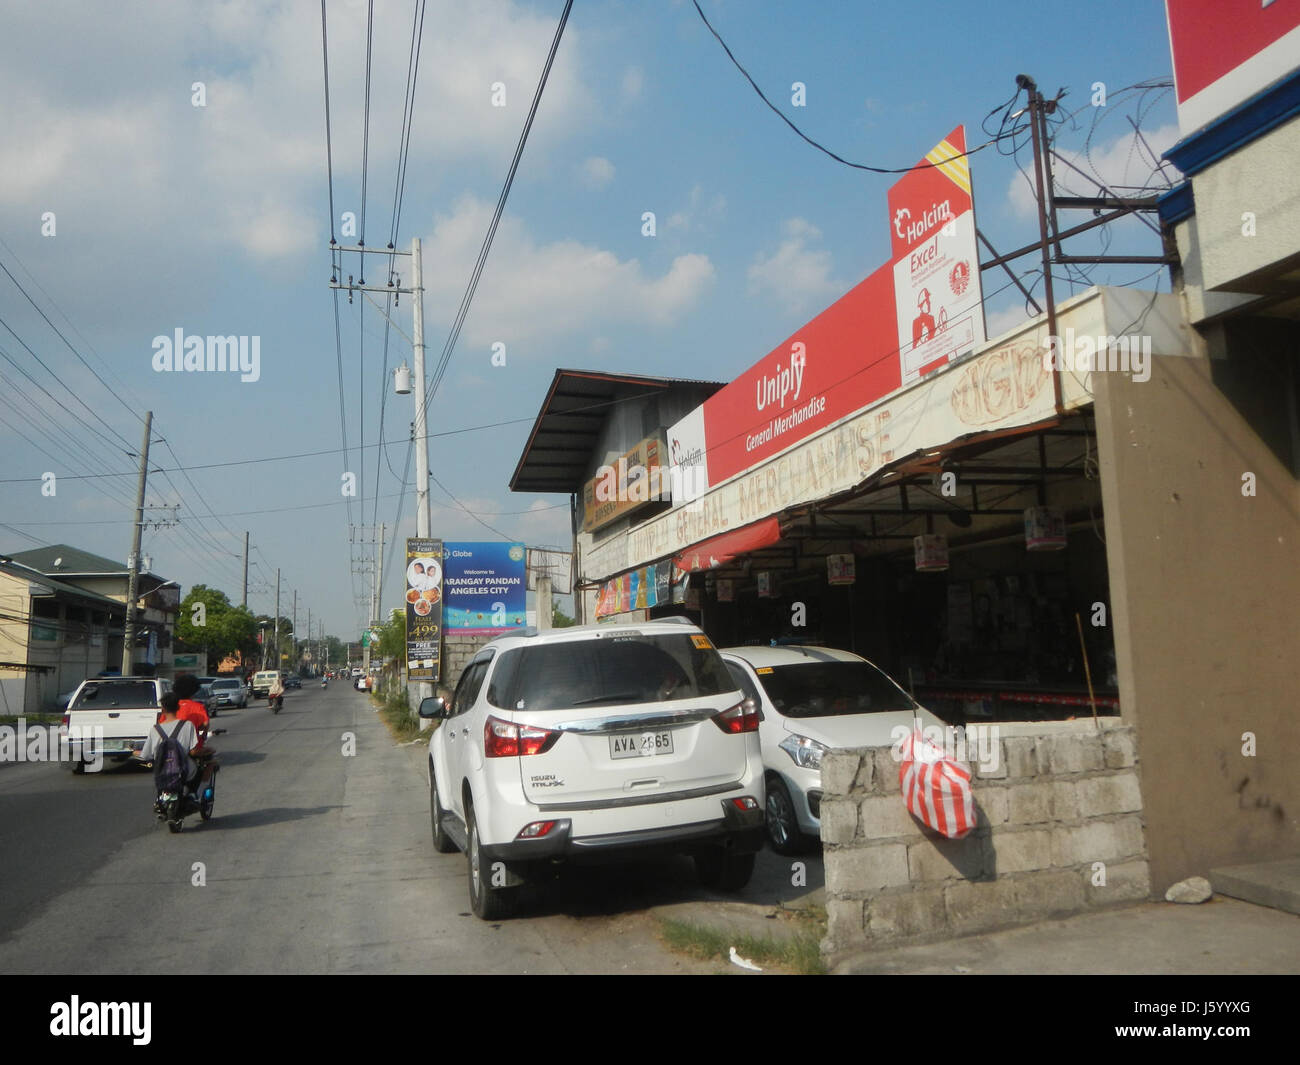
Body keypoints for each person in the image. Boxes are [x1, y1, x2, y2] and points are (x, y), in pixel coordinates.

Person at [134, 691, 200, 796]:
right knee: (198, 768)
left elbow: (146, 755)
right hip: (185, 772)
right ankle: (193, 794)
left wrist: (134, 752)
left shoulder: (155, 729)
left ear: (163, 709)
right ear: (178, 707)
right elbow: (194, 751)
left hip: (162, 773)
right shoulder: (188, 725)